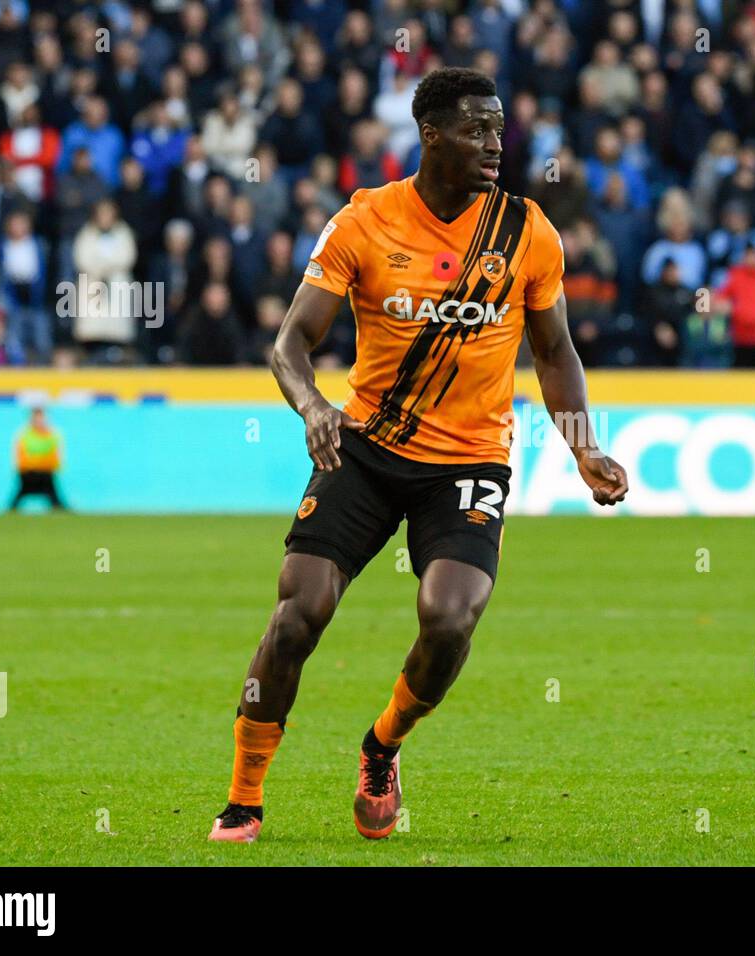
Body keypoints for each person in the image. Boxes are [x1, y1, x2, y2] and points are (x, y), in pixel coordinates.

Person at [208, 68, 629, 844]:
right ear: (431, 136)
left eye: (501, 129)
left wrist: (582, 446)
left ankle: (383, 746)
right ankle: (244, 795)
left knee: (449, 617)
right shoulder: (364, 221)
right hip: (364, 449)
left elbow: (555, 348)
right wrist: (313, 406)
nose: (497, 145)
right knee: (300, 614)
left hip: (470, 461)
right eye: (478, 130)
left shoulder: (527, 232)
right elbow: (291, 341)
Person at [9, 407, 66, 510]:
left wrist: (55, 465)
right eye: (36, 418)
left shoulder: (53, 433)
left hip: (46, 472)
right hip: (28, 472)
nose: (39, 421)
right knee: (22, 491)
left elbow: (57, 453)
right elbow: (18, 454)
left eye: (41, 418)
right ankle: (12, 508)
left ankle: (57, 506)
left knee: (51, 489)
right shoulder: (23, 434)